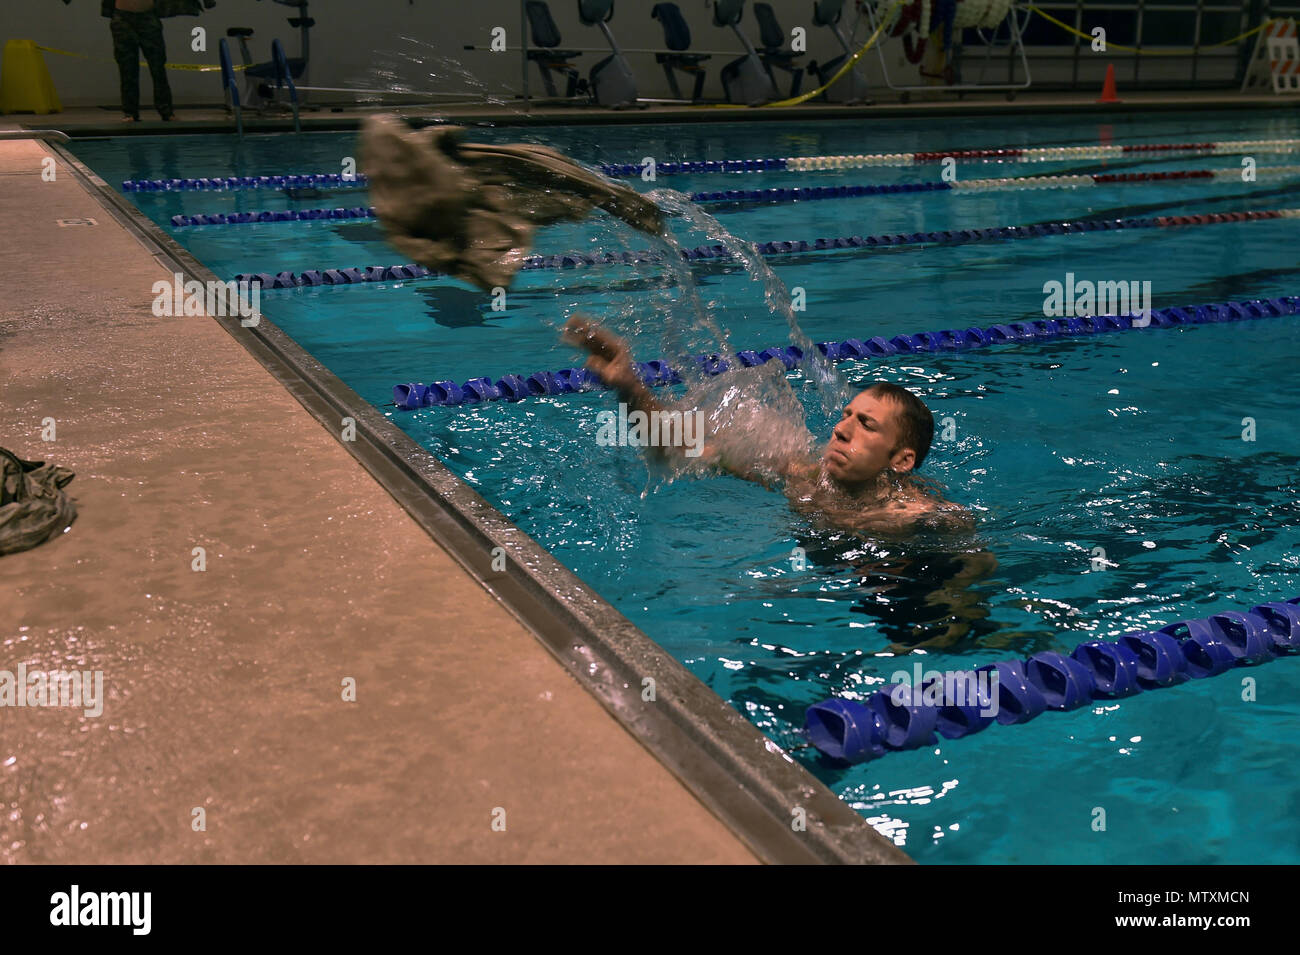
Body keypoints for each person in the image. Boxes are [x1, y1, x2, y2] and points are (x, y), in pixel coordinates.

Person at [563, 314, 972, 536]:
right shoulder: (804, 474)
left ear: (901, 460)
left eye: (866, 424)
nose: (841, 429)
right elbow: (677, 449)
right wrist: (629, 387)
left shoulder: (922, 517)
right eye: (846, 415)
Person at [102, 0, 175, 123]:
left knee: (158, 68)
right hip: (123, 17)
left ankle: (166, 111)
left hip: (147, 16)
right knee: (127, 69)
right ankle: (130, 112)